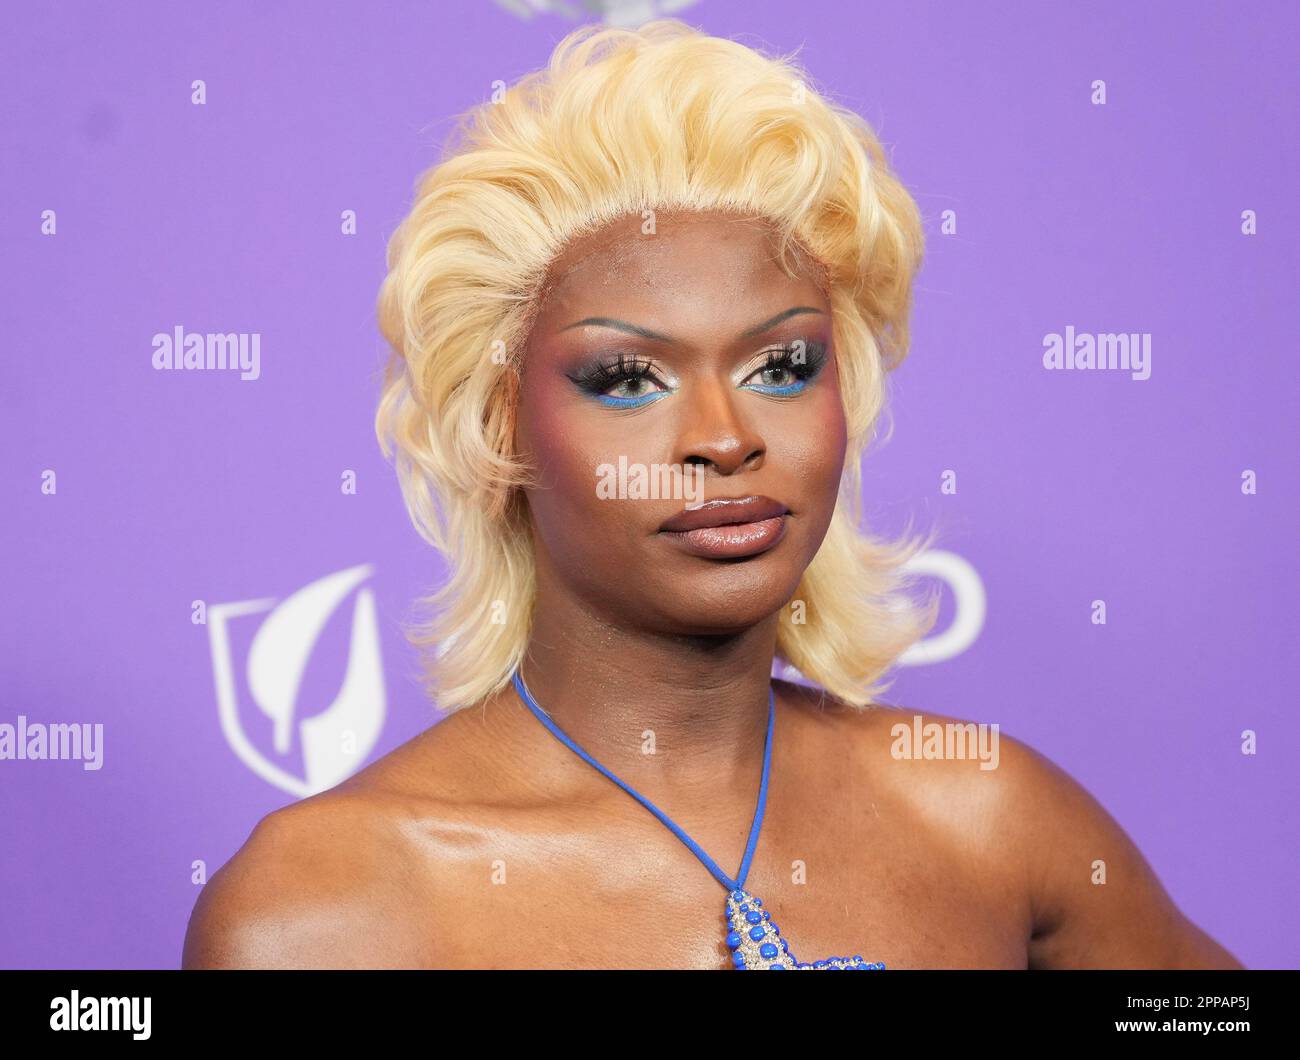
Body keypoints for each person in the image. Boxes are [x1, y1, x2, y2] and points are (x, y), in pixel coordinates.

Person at [182, 18, 1241, 970]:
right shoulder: (329, 908)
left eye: (781, 366)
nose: (725, 439)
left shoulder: (991, 819)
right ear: (498, 424)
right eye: (626, 378)